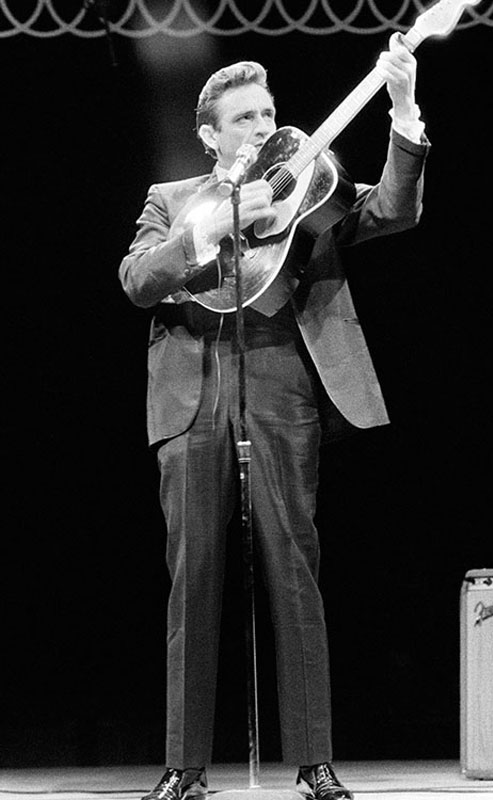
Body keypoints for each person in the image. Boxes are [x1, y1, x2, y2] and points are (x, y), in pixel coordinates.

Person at [119, 33, 429, 800]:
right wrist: (211, 226)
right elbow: (135, 280)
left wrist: (401, 109)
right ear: (209, 134)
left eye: (267, 113)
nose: (262, 127)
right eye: (244, 118)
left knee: (295, 568)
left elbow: (391, 211)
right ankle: (182, 768)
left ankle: (314, 762)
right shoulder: (172, 197)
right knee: (192, 580)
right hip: (194, 387)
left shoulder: (308, 185)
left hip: (283, 379)